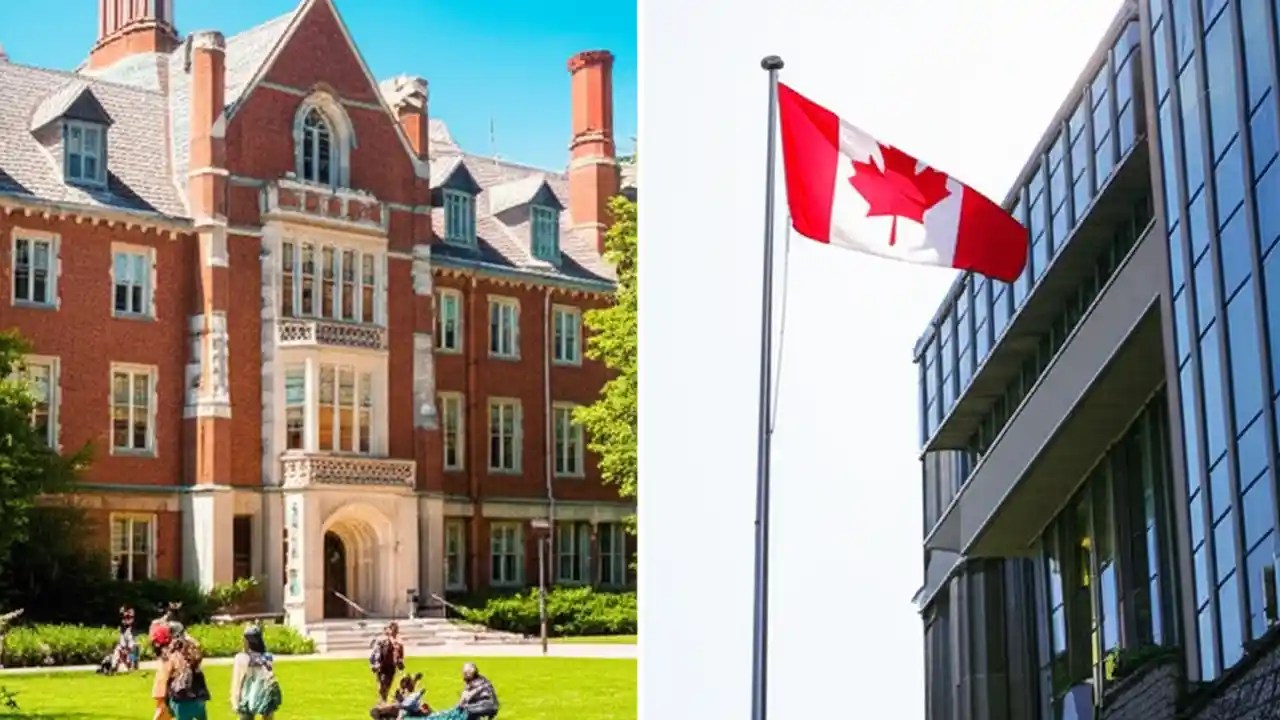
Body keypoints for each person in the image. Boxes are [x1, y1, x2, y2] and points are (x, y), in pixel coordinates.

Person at [151, 623, 210, 720]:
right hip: (199, 698)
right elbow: (199, 648)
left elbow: (163, 678)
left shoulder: (172, 655)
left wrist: (160, 697)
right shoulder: (192, 653)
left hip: (181, 699)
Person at [230, 625, 281, 720]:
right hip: (265, 696)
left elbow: (237, 681)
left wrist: (234, 700)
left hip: (246, 697)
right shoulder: (267, 657)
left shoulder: (241, 658)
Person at [369, 623, 405, 701]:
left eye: (396, 630)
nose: (394, 632)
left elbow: (400, 656)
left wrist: (400, 662)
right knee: (382, 686)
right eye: (393, 630)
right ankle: (382, 701)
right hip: (381, 666)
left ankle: (383, 701)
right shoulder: (382, 641)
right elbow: (374, 654)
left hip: (391, 667)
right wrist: (374, 664)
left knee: (386, 687)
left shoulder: (399, 643)